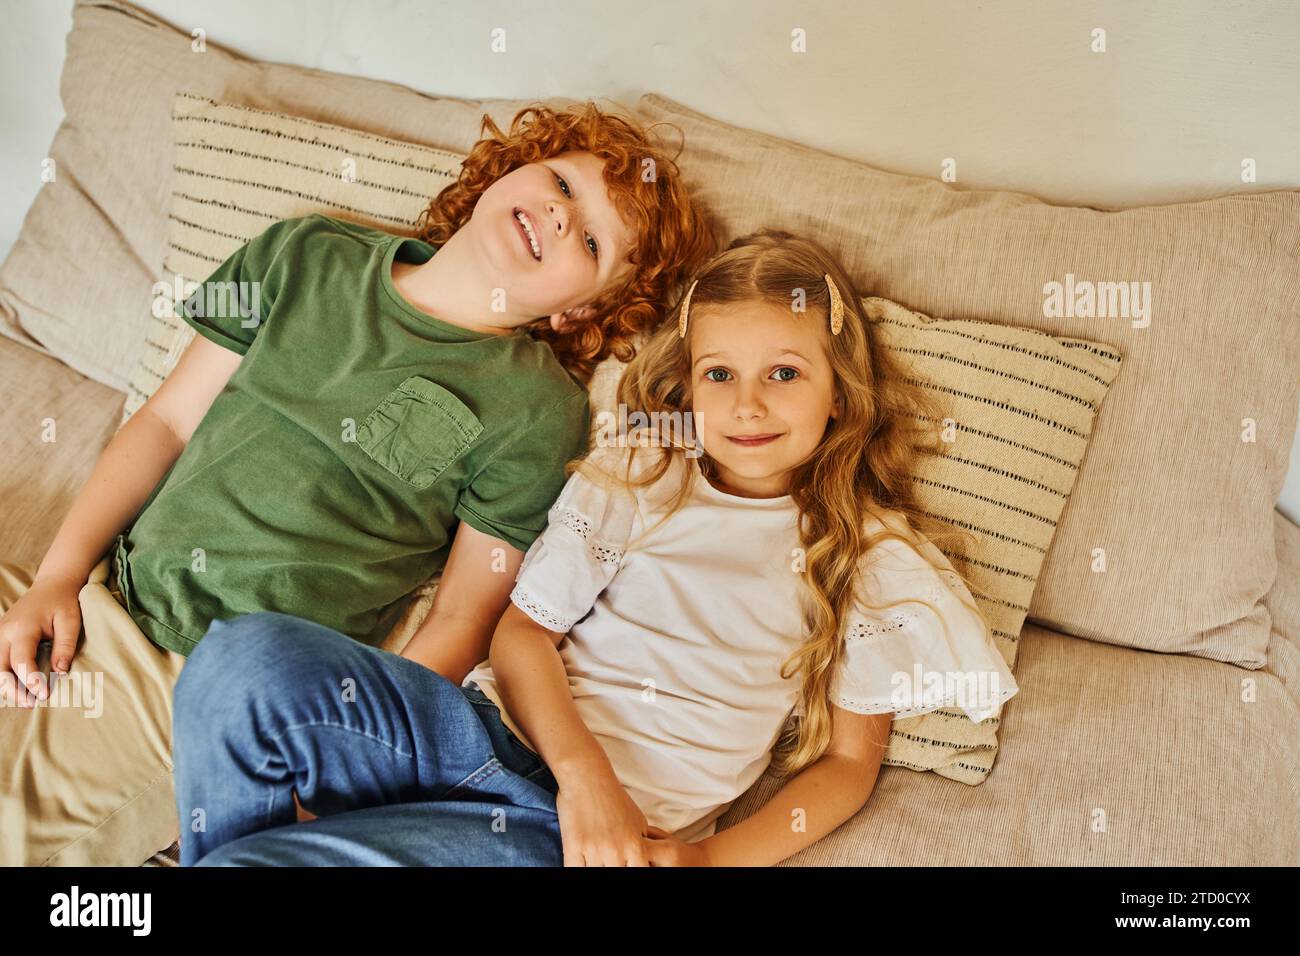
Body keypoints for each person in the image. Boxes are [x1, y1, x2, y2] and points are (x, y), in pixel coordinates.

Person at [0, 100, 715, 866]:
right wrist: (58, 576)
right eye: (564, 184)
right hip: (93, 591)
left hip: (197, 688)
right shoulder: (303, 251)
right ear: (511, 168)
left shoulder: (540, 412)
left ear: (584, 310)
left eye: (595, 240)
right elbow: (165, 422)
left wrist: (332, 763)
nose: (560, 216)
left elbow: (458, 619)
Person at [172, 229, 1020, 866]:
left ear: (840, 393)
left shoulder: (869, 556)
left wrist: (702, 859)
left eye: (786, 374)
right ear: (685, 383)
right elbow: (521, 635)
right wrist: (585, 776)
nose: (748, 404)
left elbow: (846, 766)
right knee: (241, 664)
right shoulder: (641, 469)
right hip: (485, 743)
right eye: (719, 373)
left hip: (585, 844)